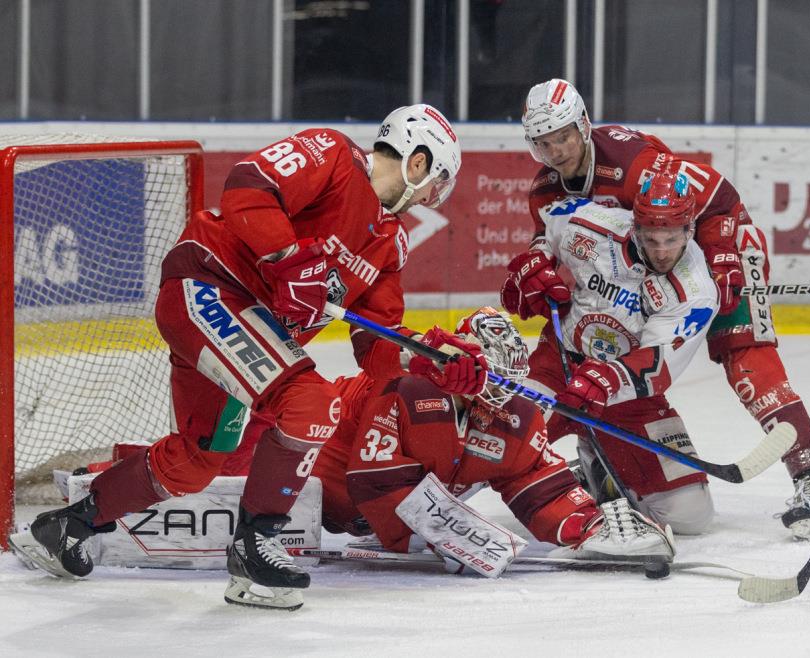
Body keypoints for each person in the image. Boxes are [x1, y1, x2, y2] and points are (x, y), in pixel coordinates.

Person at [10, 105, 486, 610]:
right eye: (439, 182)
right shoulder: (333, 154)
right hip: (210, 288)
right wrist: (287, 257)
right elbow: (248, 184)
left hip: (250, 331)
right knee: (313, 403)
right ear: (418, 163)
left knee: (195, 461)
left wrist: (430, 362)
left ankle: (65, 528)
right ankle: (256, 544)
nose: (434, 197)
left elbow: (378, 347)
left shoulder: (388, 245)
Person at [505, 78, 810, 538]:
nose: (556, 150)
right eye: (543, 143)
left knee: (742, 349)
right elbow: (551, 244)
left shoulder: (630, 164)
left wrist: (722, 254)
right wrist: (535, 267)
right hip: (642, 264)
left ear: (583, 125)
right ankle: (599, 453)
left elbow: (718, 197)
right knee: (593, 344)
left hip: (708, 241)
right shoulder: (546, 191)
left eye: (562, 135)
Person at [310, 308, 675, 571]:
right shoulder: (404, 390)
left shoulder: (514, 413)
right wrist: (448, 532)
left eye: (511, 380)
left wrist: (585, 526)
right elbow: (373, 481)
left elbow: (537, 483)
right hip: (318, 491)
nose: (503, 392)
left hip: (383, 509)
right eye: (495, 376)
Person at [504, 160, 721, 535]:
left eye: (672, 239)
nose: (662, 251)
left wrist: (606, 379)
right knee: (498, 444)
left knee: (690, 515)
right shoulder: (591, 224)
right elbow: (548, 224)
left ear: (690, 228)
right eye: (651, 238)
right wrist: (535, 263)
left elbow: (658, 364)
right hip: (559, 365)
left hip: (625, 396)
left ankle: (599, 463)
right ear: (634, 224)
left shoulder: (696, 289)